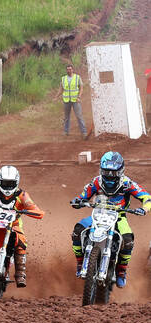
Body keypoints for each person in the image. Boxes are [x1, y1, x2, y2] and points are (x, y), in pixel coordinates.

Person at [68, 151, 150, 287]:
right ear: (101, 170)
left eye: (114, 173)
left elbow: (147, 197)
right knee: (78, 230)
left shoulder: (128, 184)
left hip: (119, 217)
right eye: (107, 172)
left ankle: (122, 271)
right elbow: (83, 196)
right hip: (98, 215)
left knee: (128, 240)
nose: (110, 176)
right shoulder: (96, 181)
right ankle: (80, 261)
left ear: (121, 171)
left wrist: (144, 208)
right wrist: (78, 201)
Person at [0, 165, 45, 287]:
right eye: (4, 183)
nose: (7, 186)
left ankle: (20, 274)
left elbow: (34, 208)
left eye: (11, 183)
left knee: (21, 241)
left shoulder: (22, 195)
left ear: (17, 182)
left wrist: (32, 211)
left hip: (14, 225)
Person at [60, 64, 89, 138]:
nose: (69, 70)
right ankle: (66, 131)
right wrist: (56, 96)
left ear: (72, 70)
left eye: (70, 69)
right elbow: (61, 89)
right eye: (67, 69)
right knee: (66, 117)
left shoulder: (77, 77)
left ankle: (84, 132)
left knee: (79, 116)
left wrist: (79, 97)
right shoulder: (63, 78)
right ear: (66, 70)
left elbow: (81, 88)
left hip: (75, 100)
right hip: (66, 100)